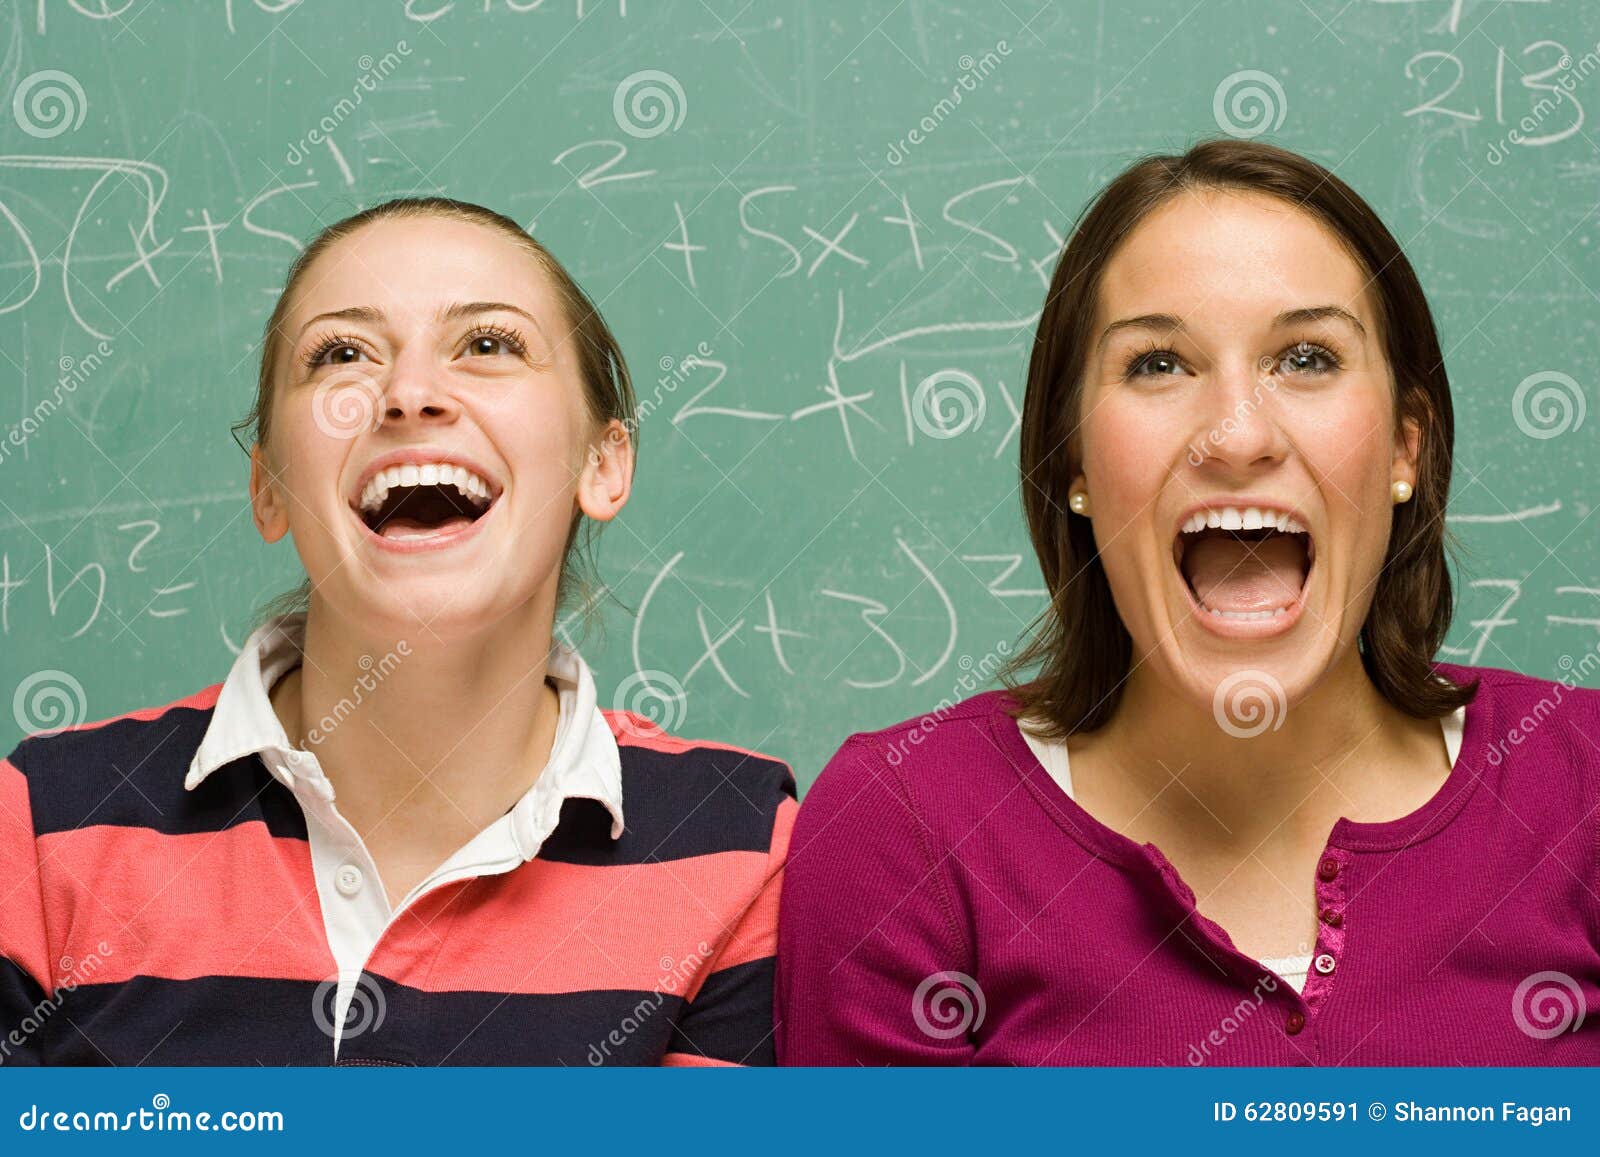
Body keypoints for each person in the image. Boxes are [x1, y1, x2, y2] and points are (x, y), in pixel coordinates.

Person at [776, 139, 1600, 1065]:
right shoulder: (904, 828)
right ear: (1075, 461)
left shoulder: (1582, 785)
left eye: (1306, 356)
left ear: (1407, 447)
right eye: (1159, 364)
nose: (1237, 433)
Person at [0, 197, 794, 1066]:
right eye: (342, 354)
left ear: (601, 464)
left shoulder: (743, 849)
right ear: (268, 485)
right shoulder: (40, 828)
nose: (410, 395)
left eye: (489, 344)